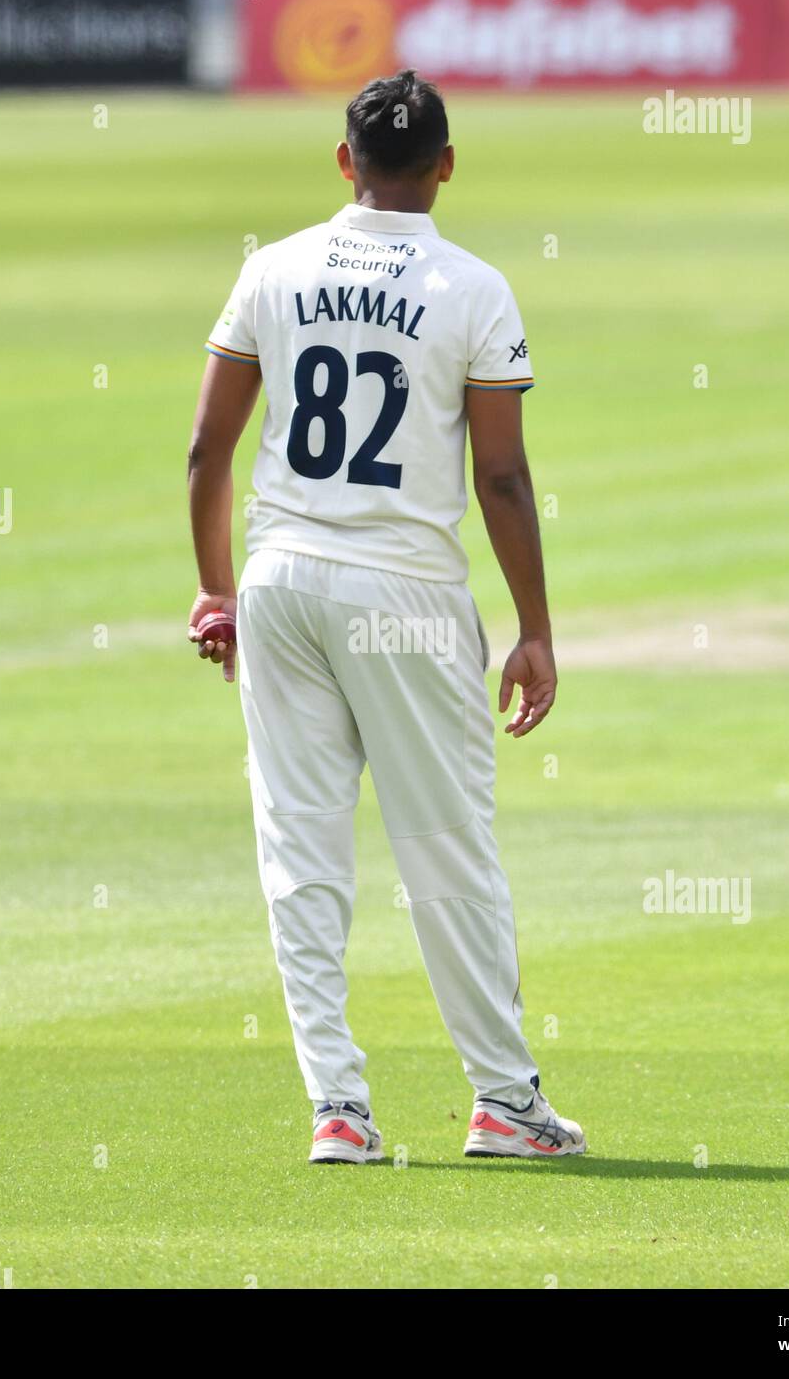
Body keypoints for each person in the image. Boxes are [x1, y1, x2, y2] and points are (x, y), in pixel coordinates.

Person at [186, 69, 583, 1163]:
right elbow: (500, 480)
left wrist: (219, 590)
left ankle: (338, 1110)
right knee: (448, 848)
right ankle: (504, 1101)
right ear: (447, 165)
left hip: (282, 580)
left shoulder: (271, 269)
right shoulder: (474, 287)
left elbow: (207, 451)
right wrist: (535, 628)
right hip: (405, 594)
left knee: (299, 851)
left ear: (342, 160)